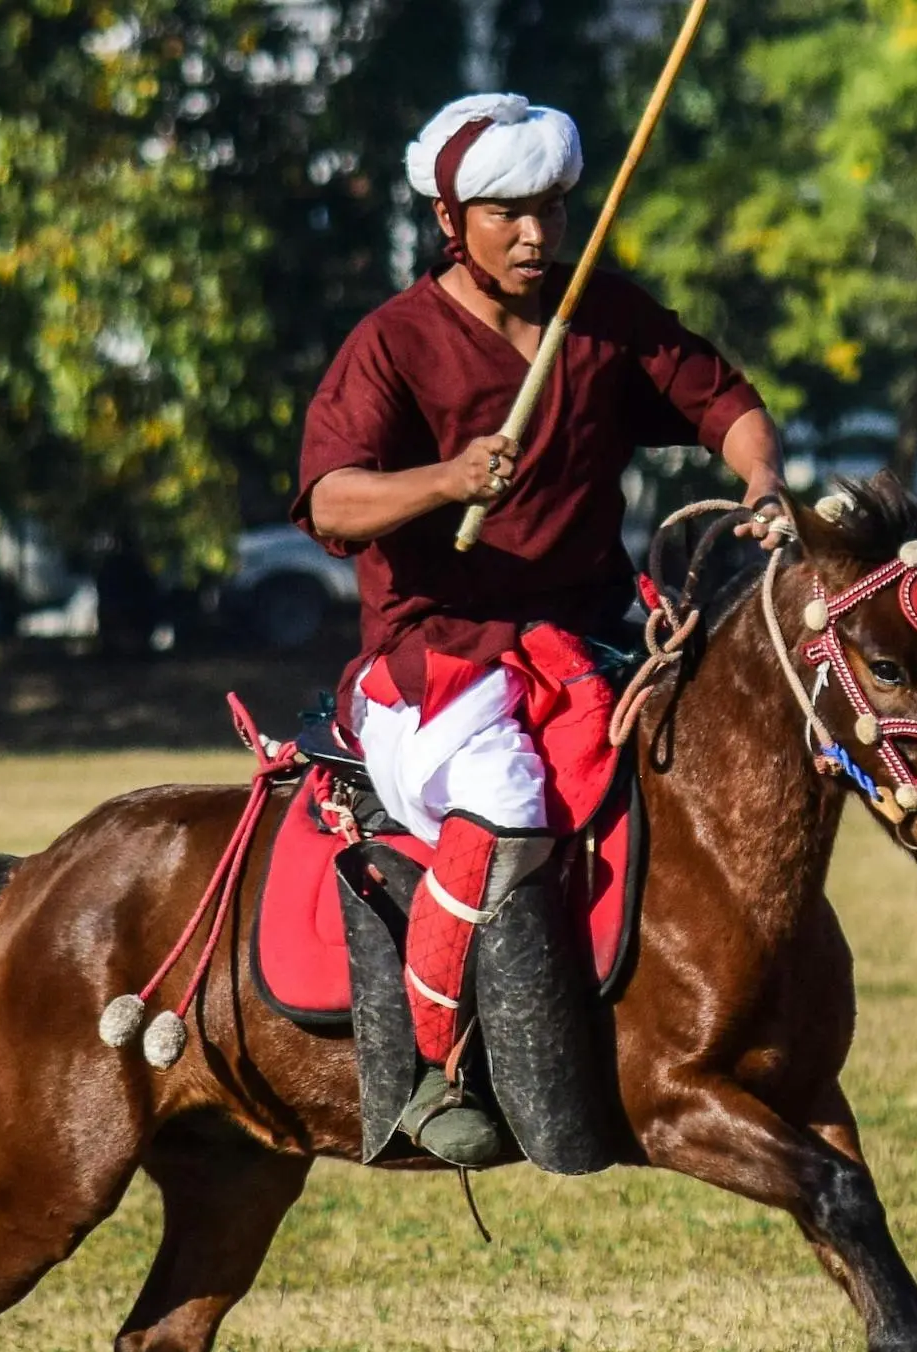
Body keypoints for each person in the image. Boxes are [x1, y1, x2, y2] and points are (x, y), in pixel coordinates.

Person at [294, 92, 784, 1165]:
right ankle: (437, 1074)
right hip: (438, 660)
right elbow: (331, 500)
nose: (534, 234)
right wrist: (446, 480)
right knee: (510, 801)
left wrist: (763, 480)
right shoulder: (392, 343)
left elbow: (724, 403)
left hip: (595, 644)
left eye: (552, 209)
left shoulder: (601, 314)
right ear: (449, 220)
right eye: (506, 213)